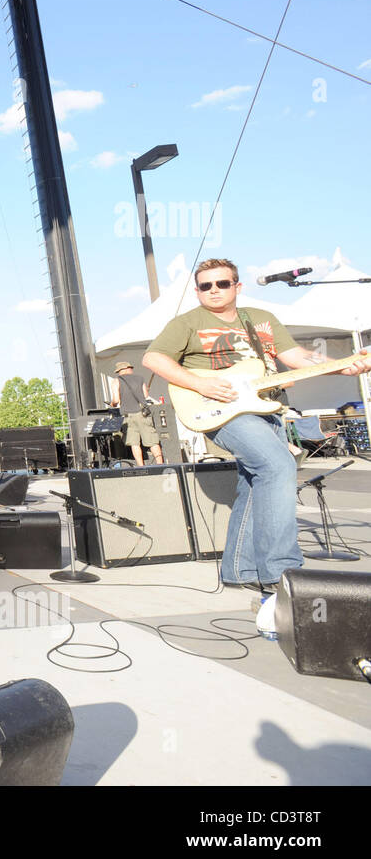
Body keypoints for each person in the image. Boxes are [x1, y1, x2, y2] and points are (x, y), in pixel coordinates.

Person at [142, 257, 371, 638]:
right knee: (278, 467)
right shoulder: (188, 323)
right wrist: (201, 385)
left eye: (222, 283)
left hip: (266, 406)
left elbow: (296, 359)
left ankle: (239, 569)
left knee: (254, 480)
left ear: (237, 286)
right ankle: (281, 572)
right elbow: (154, 358)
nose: (214, 291)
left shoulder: (260, 319)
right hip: (219, 409)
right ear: (198, 290)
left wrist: (340, 366)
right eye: (206, 286)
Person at [110, 361, 165, 466]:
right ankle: (160, 465)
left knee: (134, 443)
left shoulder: (116, 381)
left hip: (128, 416)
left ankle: (140, 466)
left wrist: (112, 404)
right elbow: (145, 395)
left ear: (120, 371)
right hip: (143, 413)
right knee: (152, 441)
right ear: (128, 368)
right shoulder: (140, 378)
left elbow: (116, 400)